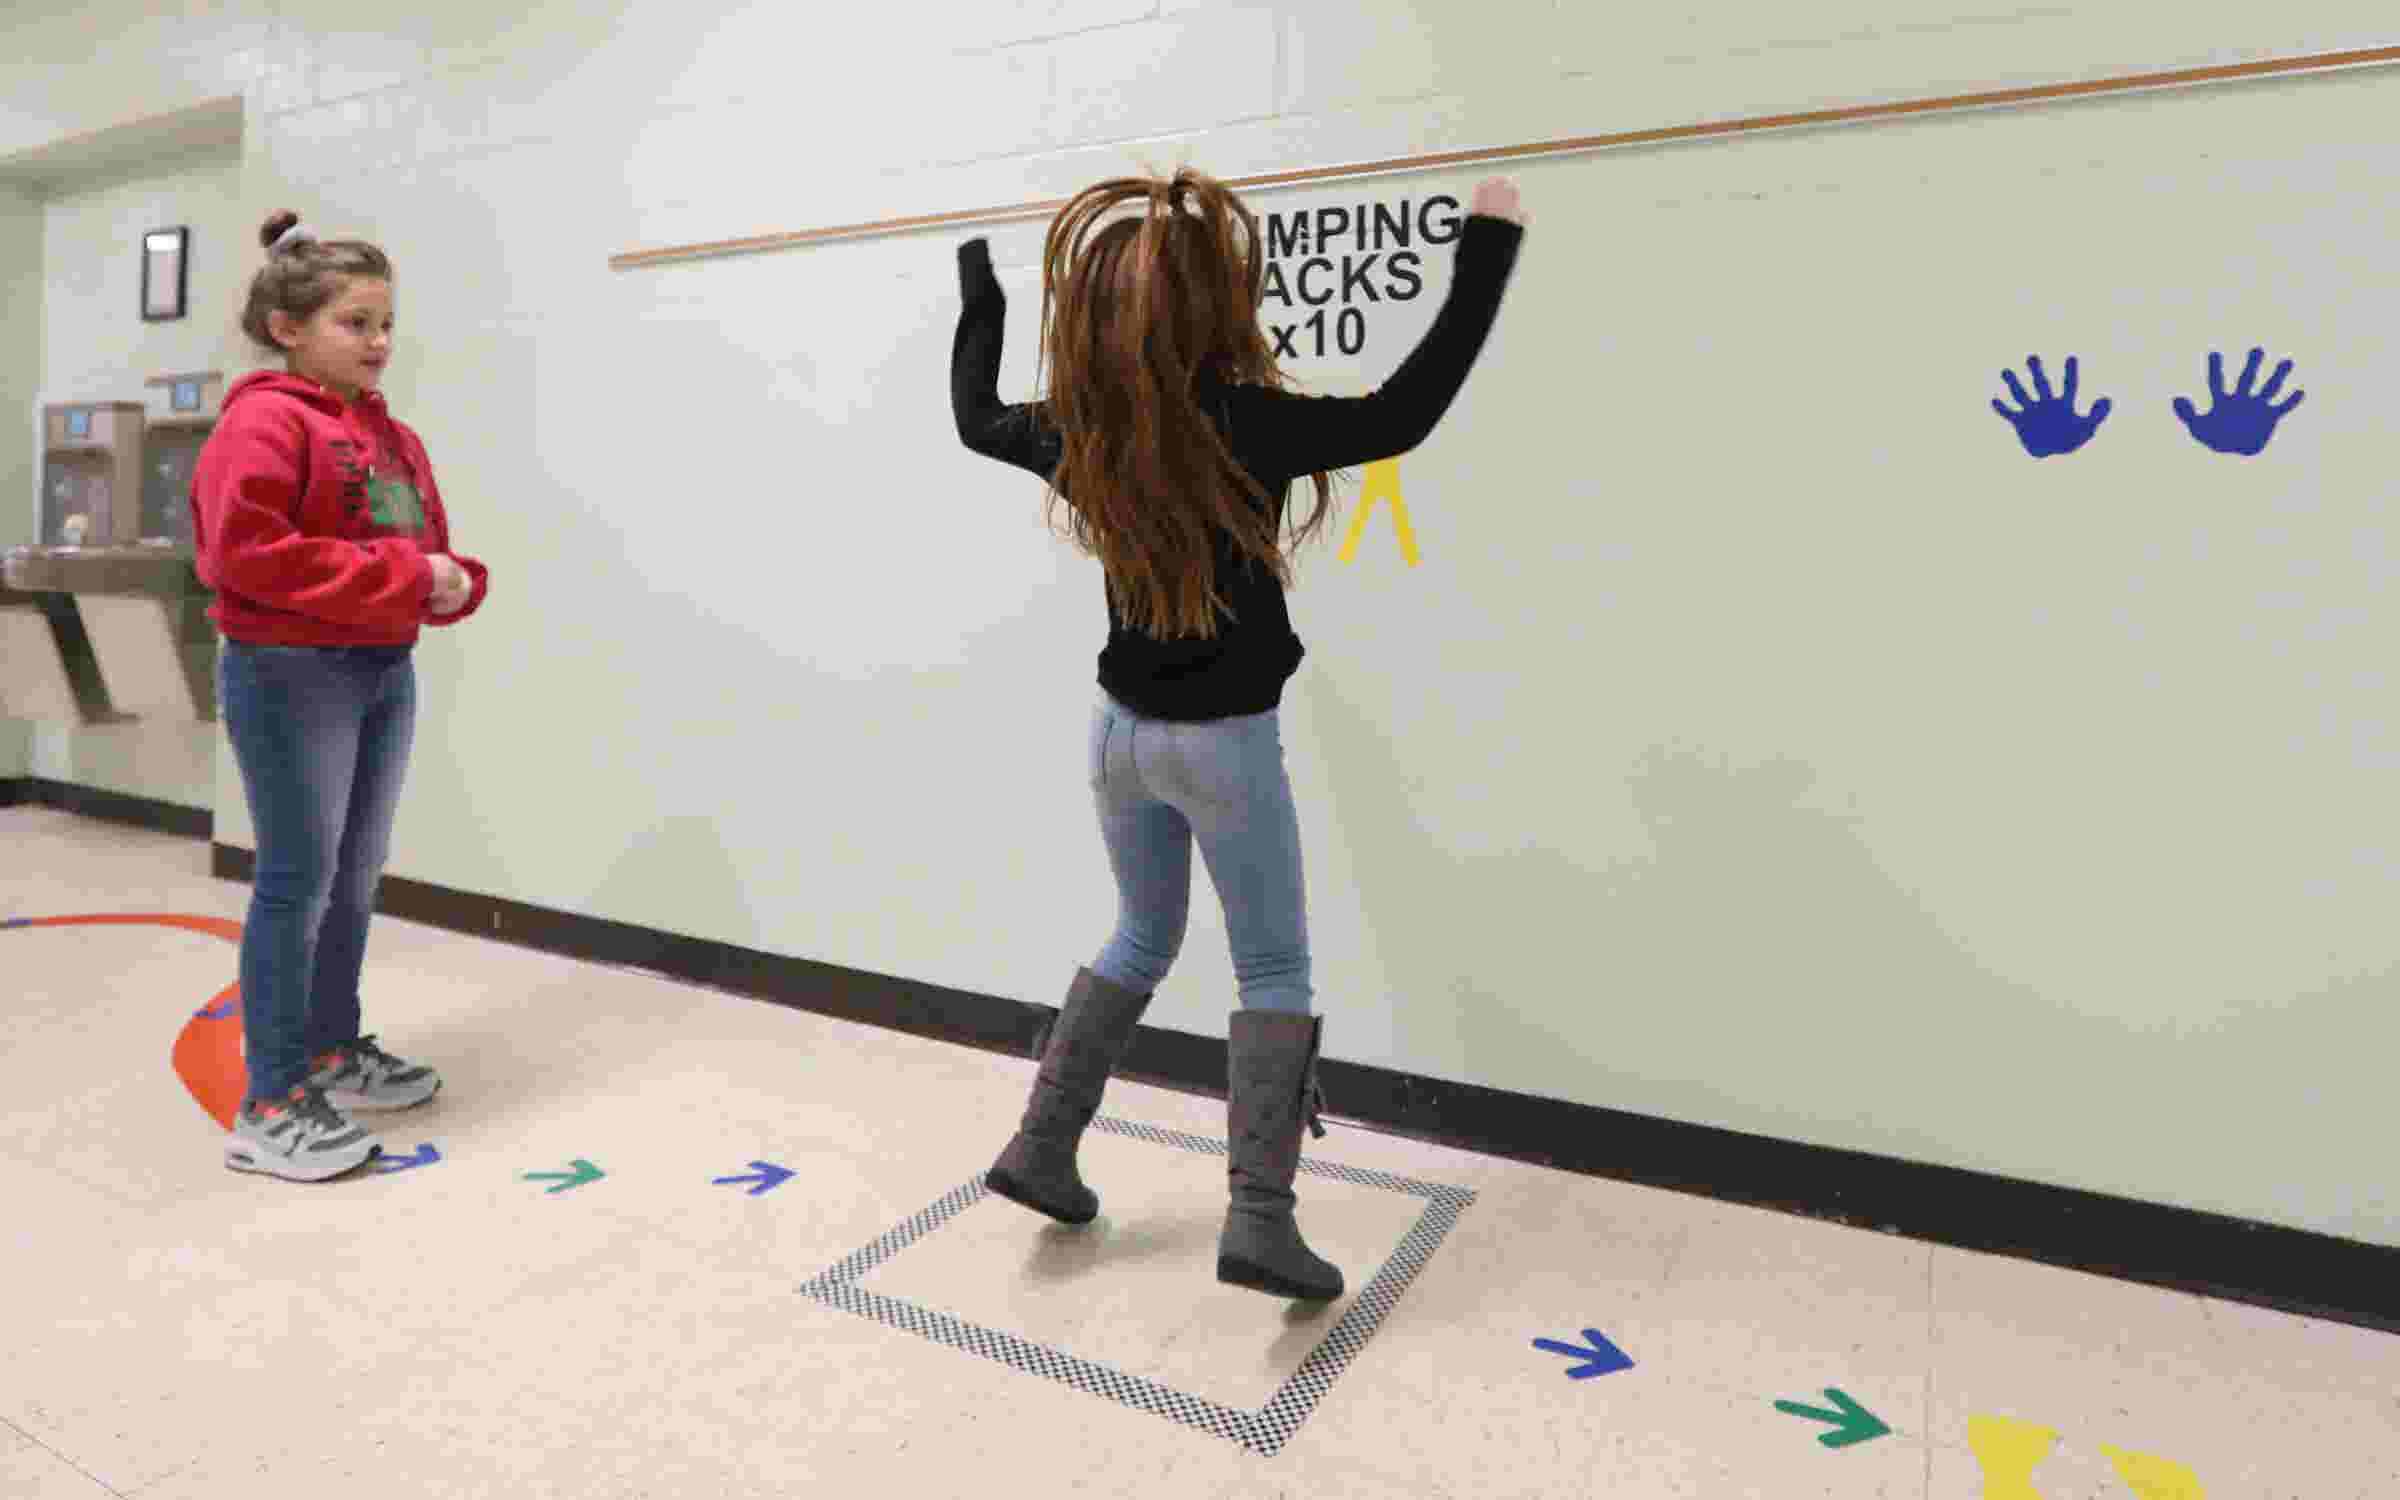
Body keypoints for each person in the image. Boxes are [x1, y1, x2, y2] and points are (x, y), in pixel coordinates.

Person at [951, 168, 1525, 1299]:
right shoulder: (1248, 423)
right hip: (1222, 746)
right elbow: (1402, 413)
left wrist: (980, 286)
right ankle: (1259, 1220)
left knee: (1137, 938)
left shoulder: (1080, 426)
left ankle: (1040, 1149)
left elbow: (975, 416)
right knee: (1272, 965)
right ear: (1214, 302)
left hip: (1118, 739)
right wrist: (1488, 249)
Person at [192, 210, 490, 1182]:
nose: (379, 343)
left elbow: (418, 545)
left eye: (386, 322)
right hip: (290, 674)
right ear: (289, 327)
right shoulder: (264, 423)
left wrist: (452, 579)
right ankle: (272, 1101)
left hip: (380, 670)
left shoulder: (390, 435)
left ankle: (329, 1046)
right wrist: (408, 578)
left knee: (353, 877)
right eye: (355, 323)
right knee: (297, 881)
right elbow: (246, 556)